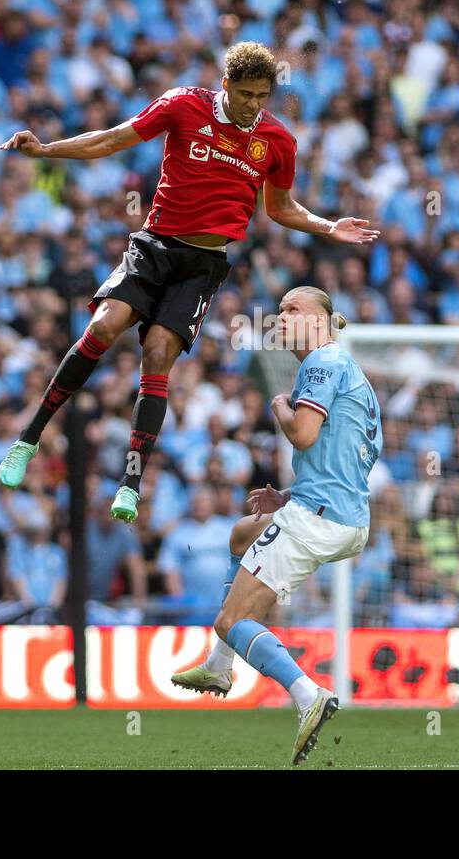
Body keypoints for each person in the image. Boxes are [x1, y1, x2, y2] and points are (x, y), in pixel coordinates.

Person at [0, 42, 379, 523]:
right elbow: (114, 139)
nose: (253, 104)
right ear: (225, 85)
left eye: (262, 95)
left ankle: (131, 483)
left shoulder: (277, 141)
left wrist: (327, 226)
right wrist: (48, 149)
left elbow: (280, 208)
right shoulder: (183, 105)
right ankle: (27, 439)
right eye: (245, 93)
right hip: (154, 246)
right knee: (103, 328)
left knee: (157, 352)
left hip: (203, 263)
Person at [170, 287, 382, 765]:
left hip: (319, 519)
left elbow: (303, 433)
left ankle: (308, 694)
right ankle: (219, 665)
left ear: (323, 320)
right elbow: (348, 458)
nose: (281, 318)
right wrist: (288, 497)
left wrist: (279, 406)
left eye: (293, 310)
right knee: (243, 533)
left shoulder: (322, 365)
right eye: (280, 310)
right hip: (344, 517)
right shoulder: (355, 376)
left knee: (233, 620)